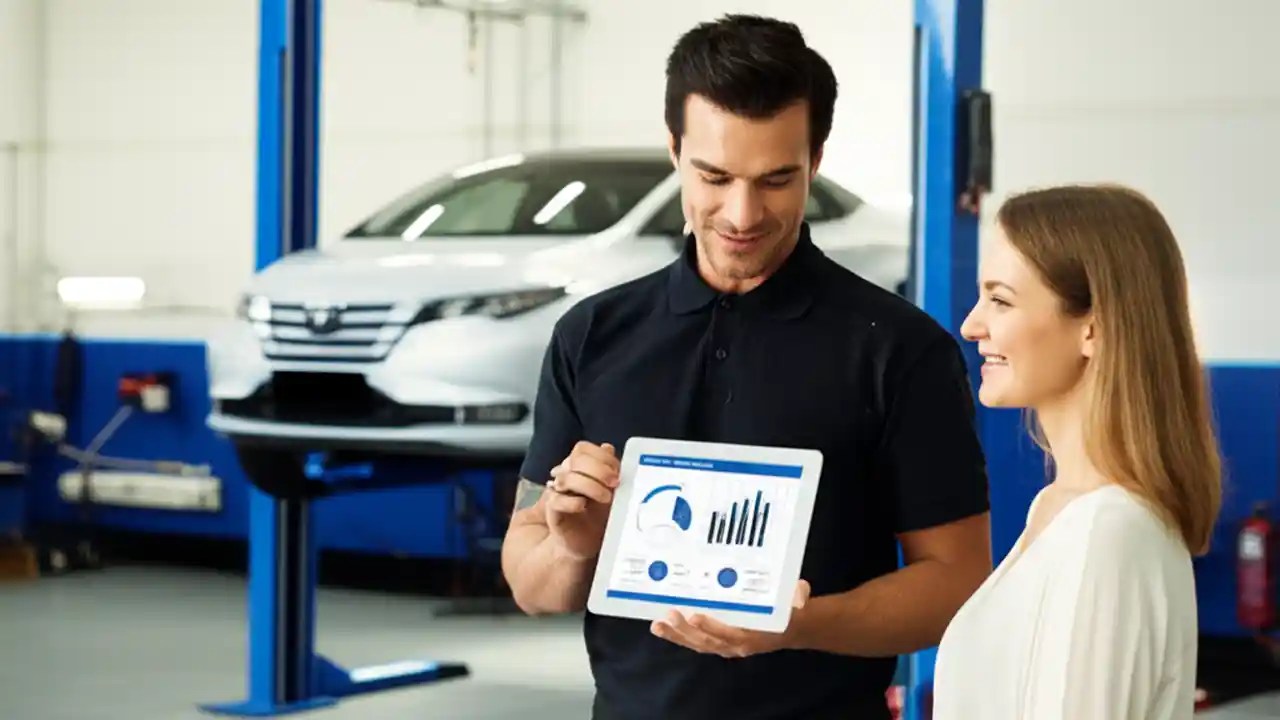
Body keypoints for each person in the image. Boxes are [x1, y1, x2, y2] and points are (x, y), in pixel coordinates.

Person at [501, 14, 993, 720]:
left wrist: (800, 624)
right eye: (714, 175)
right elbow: (530, 583)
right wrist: (578, 548)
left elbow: (956, 584)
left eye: (776, 179)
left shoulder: (897, 348)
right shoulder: (592, 336)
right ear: (674, 150)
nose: (741, 213)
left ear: (816, 160)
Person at [933, 184, 1223, 719]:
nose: (972, 325)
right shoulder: (1058, 508)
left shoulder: (1108, 532)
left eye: (1000, 299)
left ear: (1093, 327)